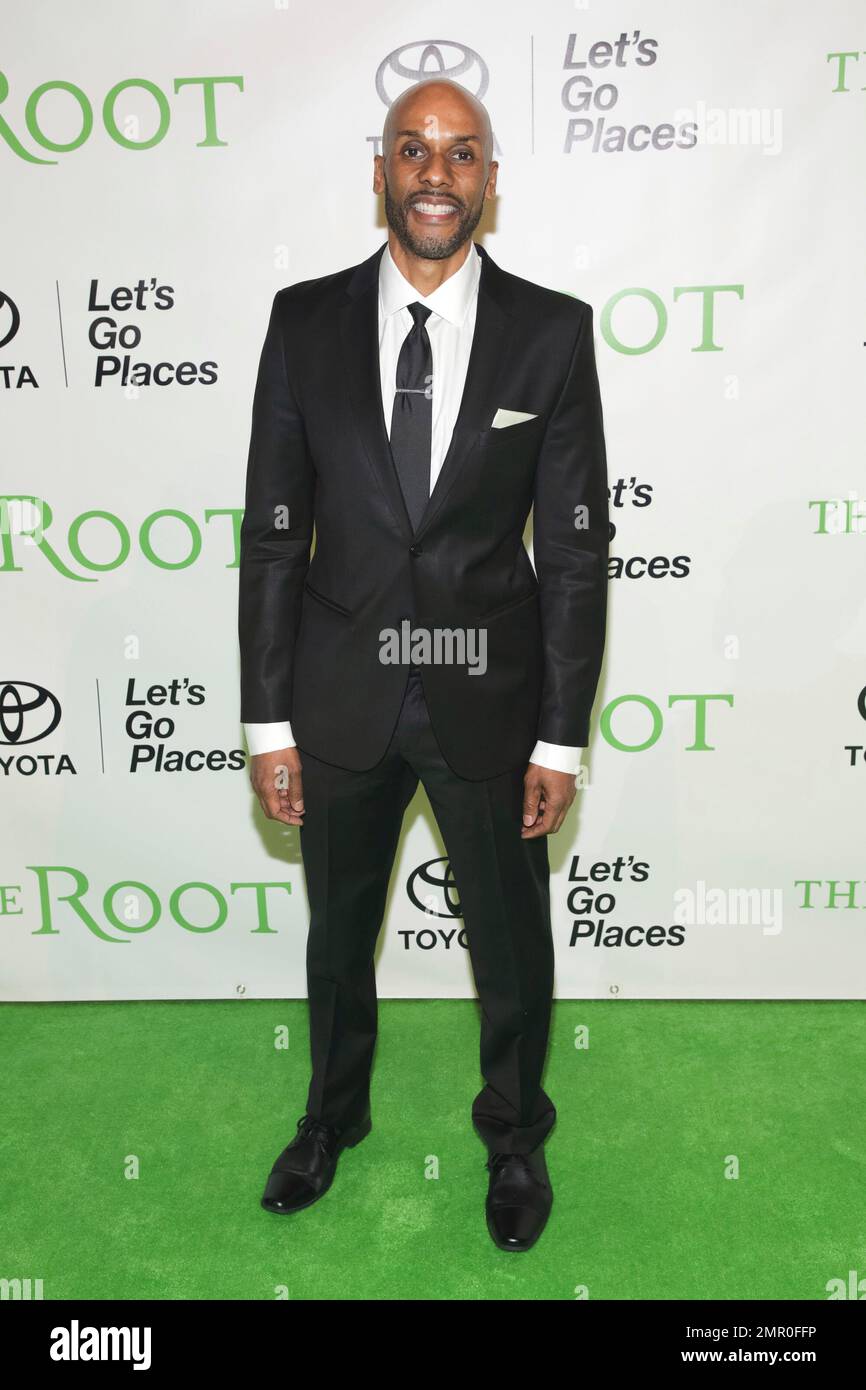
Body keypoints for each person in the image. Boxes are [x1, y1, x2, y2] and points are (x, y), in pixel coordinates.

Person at [238, 76, 609, 1251]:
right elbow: (273, 534)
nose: (435, 172)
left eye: (459, 152)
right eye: (413, 149)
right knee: (336, 940)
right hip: (338, 699)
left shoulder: (550, 332)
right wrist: (266, 724)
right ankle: (327, 1119)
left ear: (489, 180)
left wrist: (559, 736)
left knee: (509, 948)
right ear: (382, 172)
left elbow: (575, 554)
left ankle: (513, 1138)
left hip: (487, 705)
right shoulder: (302, 322)